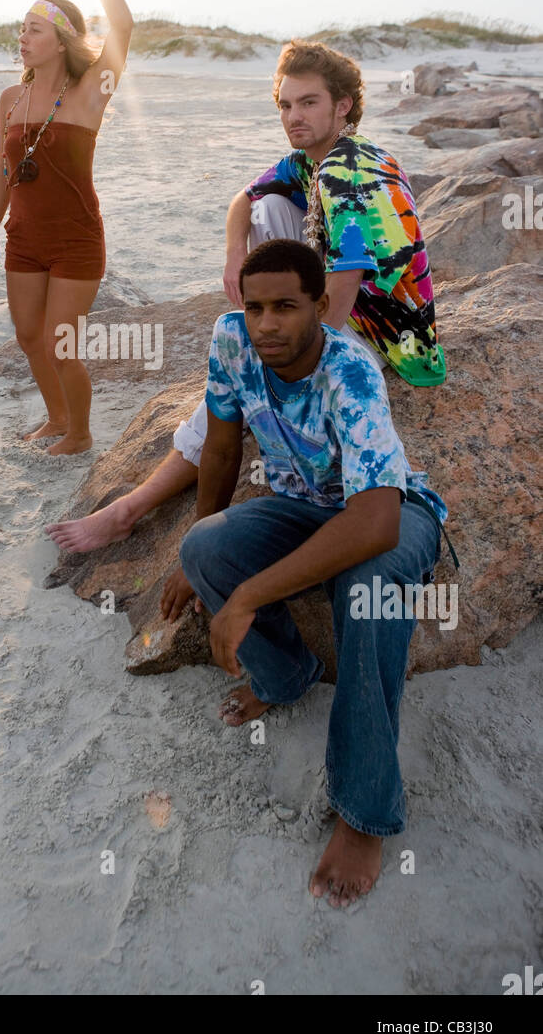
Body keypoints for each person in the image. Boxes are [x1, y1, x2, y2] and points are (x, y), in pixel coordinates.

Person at [46, 38, 445, 557]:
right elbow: (245, 197)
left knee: (244, 372)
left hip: (386, 338)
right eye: (286, 104)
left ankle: (130, 509)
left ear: (343, 106)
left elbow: (346, 281)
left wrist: (279, 361)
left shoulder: (348, 171)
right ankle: (271, 316)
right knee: (266, 209)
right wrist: (236, 254)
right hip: (342, 304)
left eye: (309, 103)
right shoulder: (312, 159)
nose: (294, 116)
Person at [179, 239, 447, 907]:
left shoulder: (350, 371)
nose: (266, 324)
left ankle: (364, 811)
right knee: (204, 548)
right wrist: (193, 547)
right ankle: (285, 677)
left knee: (369, 591)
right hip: (301, 507)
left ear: (321, 307)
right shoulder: (232, 340)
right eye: (255, 307)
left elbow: (376, 523)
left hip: (389, 512)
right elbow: (221, 446)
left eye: (286, 307)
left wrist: (247, 596)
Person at [0, 0, 133, 457]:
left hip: (75, 240)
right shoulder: (11, 98)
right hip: (23, 238)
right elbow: (5, 168)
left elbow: (124, 27)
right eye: (22, 27)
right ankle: (58, 417)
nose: (23, 36)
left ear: (62, 40)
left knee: (60, 345)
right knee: (29, 337)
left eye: (35, 29)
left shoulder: (91, 94)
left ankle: (81, 434)